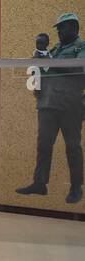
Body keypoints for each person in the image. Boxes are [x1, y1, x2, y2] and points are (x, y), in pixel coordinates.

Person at [17, 12, 84, 204]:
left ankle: (76, 187)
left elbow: (78, 68)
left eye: (62, 28)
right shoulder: (54, 49)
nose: (59, 32)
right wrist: (37, 61)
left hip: (70, 106)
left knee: (72, 147)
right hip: (48, 104)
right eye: (58, 29)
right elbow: (44, 70)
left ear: (74, 27)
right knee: (43, 146)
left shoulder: (81, 47)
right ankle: (39, 183)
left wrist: (49, 61)